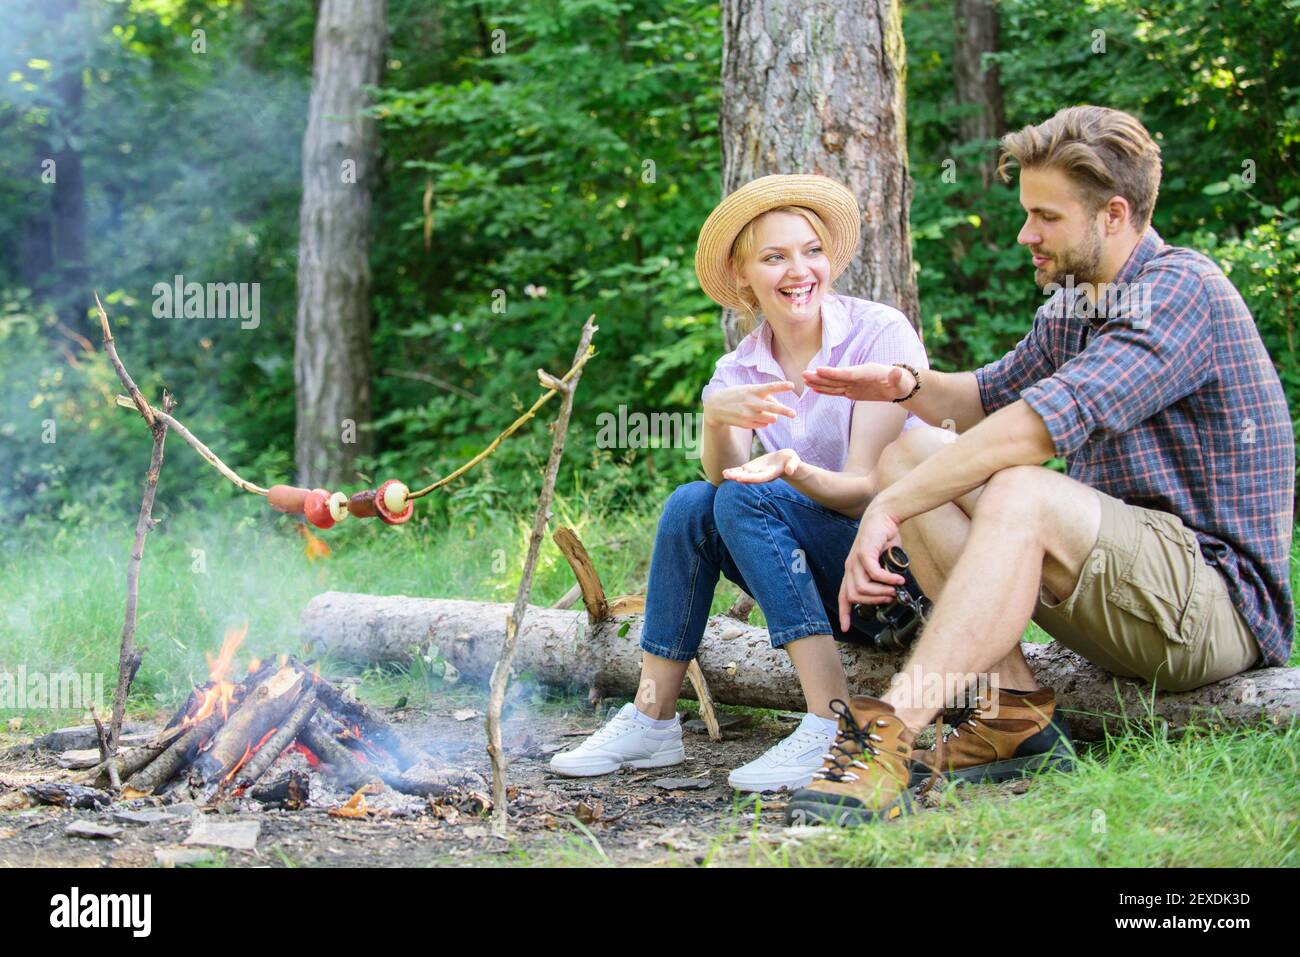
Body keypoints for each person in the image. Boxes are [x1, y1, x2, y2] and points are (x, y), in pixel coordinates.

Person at [783, 105, 1295, 826]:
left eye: (1044, 216)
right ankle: (1012, 714)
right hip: (1124, 591)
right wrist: (905, 386)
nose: (1026, 234)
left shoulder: (1180, 292)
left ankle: (889, 733)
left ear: (1113, 213)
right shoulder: (1072, 304)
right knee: (907, 449)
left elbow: (1031, 431)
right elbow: (983, 400)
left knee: (1019, 490)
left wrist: (883, 509)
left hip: (1215, 608)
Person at [550, 174, 930, 792]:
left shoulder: (878, 334)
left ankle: (832, 722)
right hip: (823, 586)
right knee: (690, 505)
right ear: (742, 272)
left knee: (748, 494)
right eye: (774, 257)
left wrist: (793, 470)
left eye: (811, 251)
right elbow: (719, 484)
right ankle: (652, 718)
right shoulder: (739, 367)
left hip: (894, 580)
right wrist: (716, 418)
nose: (798, 270)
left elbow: (866, 489)